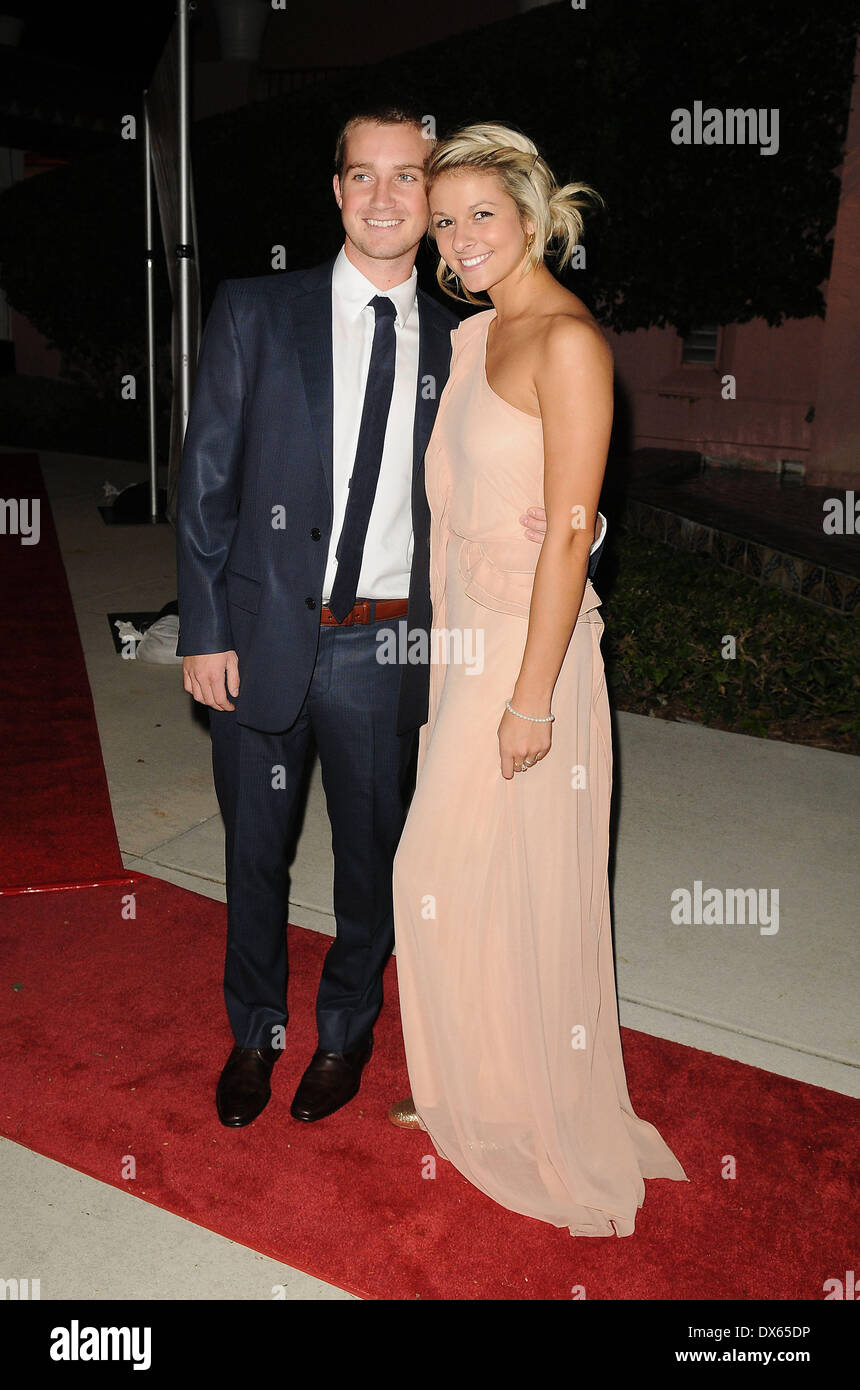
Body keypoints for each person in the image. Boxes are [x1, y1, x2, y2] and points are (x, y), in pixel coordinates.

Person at [176, 107, 605, 1129]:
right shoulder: (254, 310)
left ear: (430, 201)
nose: (382, 197)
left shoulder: (467, 340)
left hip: (389, 644)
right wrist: (201, 629)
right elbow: (204, 485)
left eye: (406, 178)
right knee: (252, 853)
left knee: (376, 859)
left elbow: (518, 470)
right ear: (335, 190)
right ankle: (255, 1031)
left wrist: (577, 529)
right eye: (361, 176)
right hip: (260, 633)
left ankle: (344, 1029)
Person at [390, 124, 687, 1236]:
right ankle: (481, 1088)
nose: (460, 237)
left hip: (527, 648)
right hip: (465, 633)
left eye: (480, 214)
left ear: (530, 215)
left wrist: (528, 696)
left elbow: (567, 536)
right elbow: (472, 491)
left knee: (434, 866)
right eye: (445, 218)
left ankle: (519, 1105)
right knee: (479, 878)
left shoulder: (566, 342)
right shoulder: (475, 336)